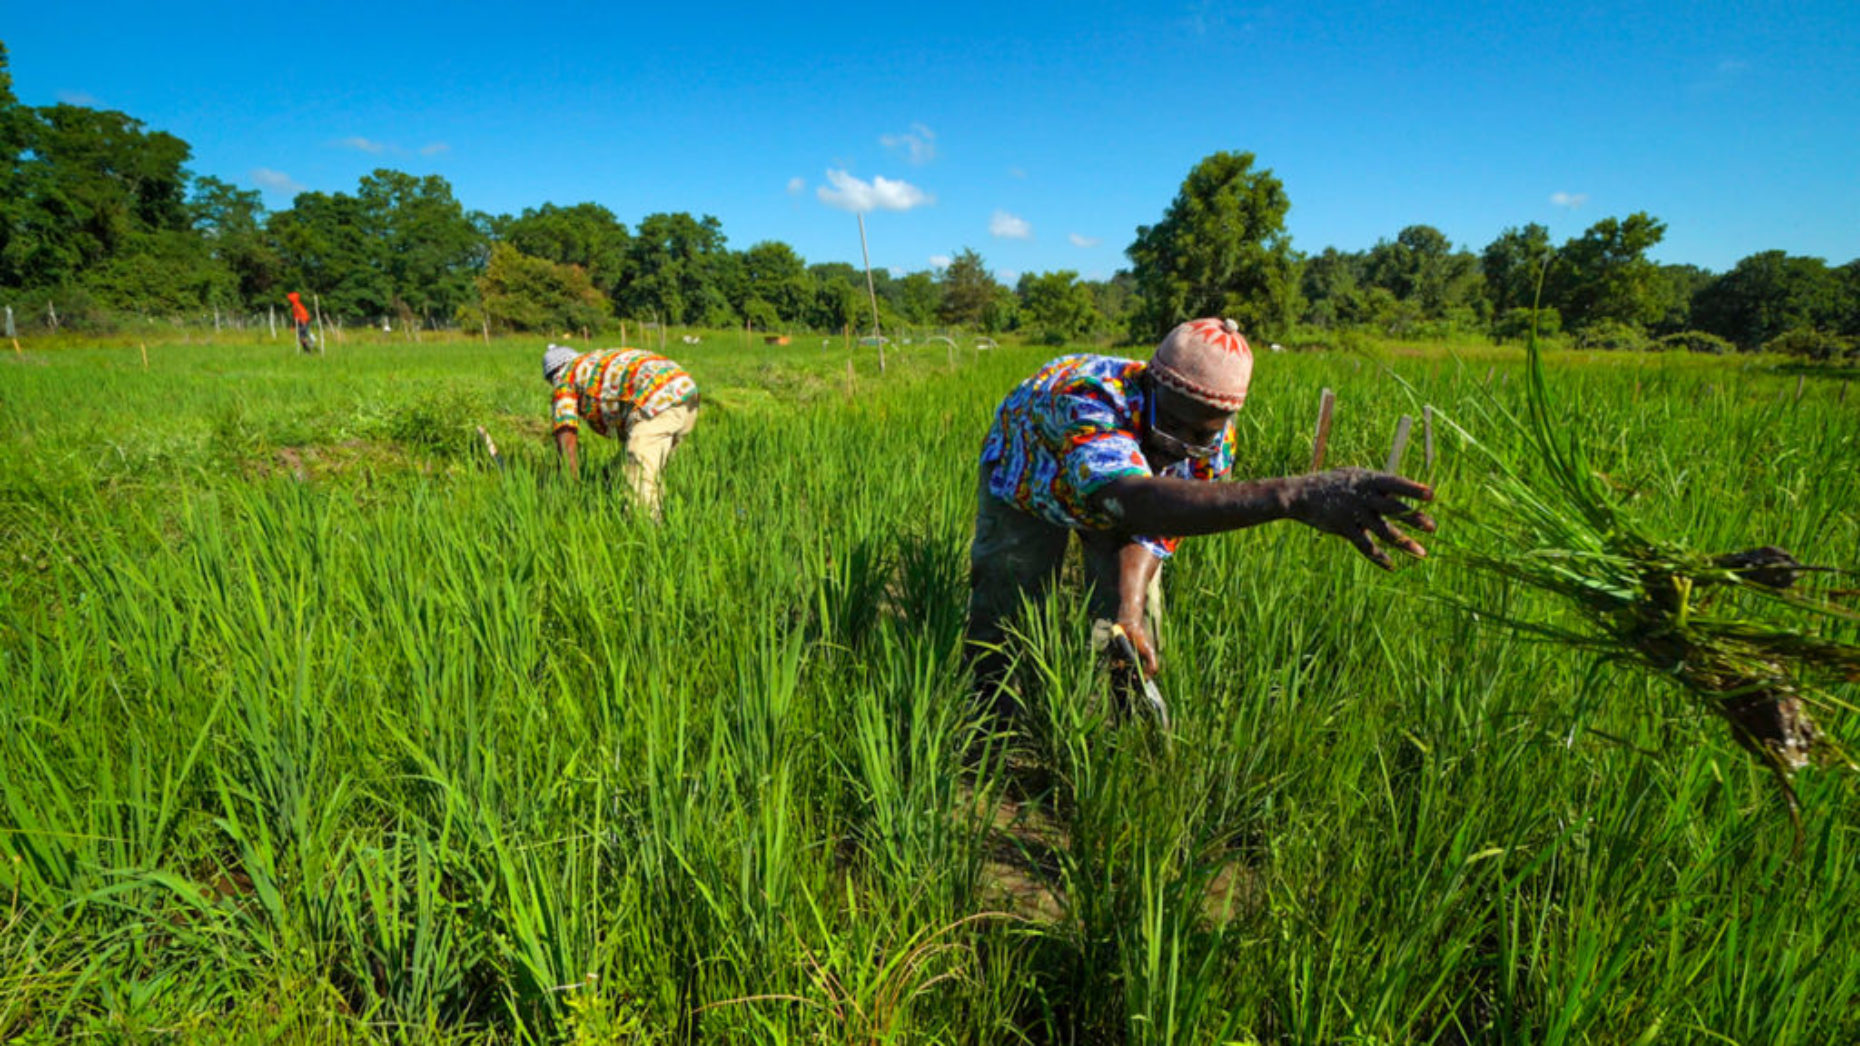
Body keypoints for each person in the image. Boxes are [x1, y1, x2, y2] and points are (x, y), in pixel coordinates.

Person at [966, 317, 1436, 716]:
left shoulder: (1214, 443)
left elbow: (1155, 527)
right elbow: (1130, 501)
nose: (1181, 445)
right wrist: (1292, 496)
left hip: (1126, 492)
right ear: (1150, 383)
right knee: (1012, 588)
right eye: (1172, 423)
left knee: (1136, 617)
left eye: (1200, 432)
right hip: (1033, 476)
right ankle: (992, 710)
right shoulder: (1089, 398)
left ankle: (1115, 725)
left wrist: (1128, 610)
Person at [543, 343, 700, 520]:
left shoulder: (564, 377)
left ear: (552, 375)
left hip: (654, 398)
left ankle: (643, 527)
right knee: (634, 469)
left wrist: (568, 490)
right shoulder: (595, 361)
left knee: (639, 472)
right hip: (684, 391)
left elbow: (566, 434)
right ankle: (657, 514)